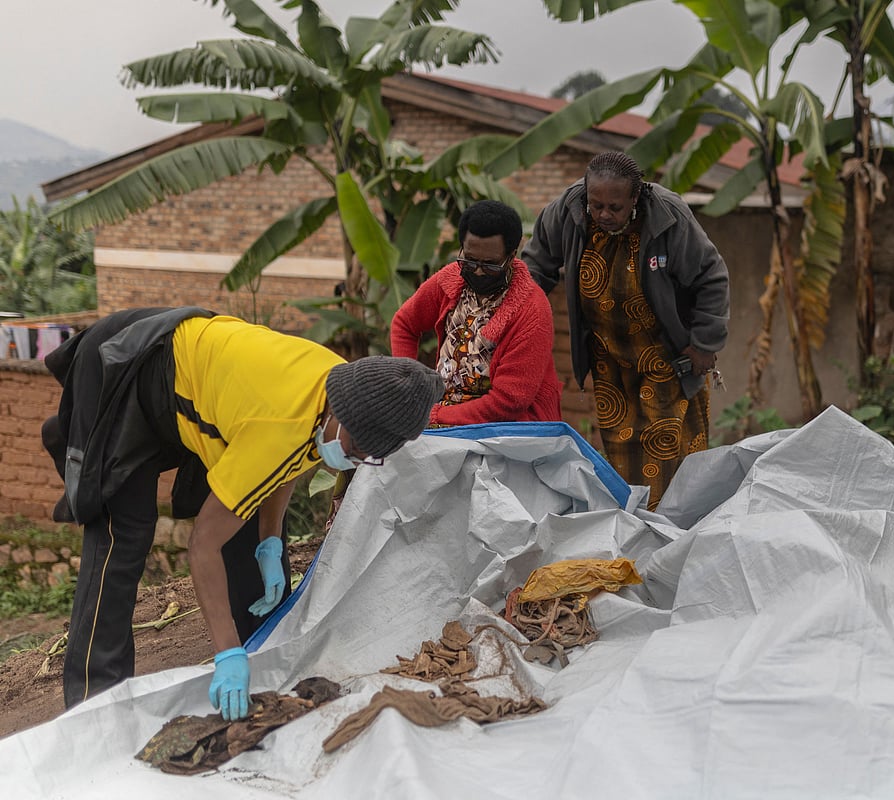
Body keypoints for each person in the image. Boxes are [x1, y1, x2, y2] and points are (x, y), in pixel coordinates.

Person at [42, 308, 443, 720]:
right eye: (356, 448)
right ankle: (94, 707)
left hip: (211, 399)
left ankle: (264, 662)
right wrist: (227, 655)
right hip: (129, 366)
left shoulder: (343, 393)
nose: (354, 459)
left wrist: (269, 543)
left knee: (248, 536)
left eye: (367, 456)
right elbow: (203, 545)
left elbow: (289, 462)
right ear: (340, 411)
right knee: (123, 534)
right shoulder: (281, 423)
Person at [523, 151, 730, 509]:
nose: (604, 214)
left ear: (635, 197)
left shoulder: (668, 216)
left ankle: (670, 530)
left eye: (615, 207)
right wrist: (519, 316)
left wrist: (704, 344)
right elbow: (535, 266)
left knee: (667, 448)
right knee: (620, 450)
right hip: (609, 358)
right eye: (596, 205)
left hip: (666, 356)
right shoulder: (568, 210)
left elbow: (711, 277)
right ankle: (632, 527)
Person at [390, 199, 561, 425]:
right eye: (470, 261)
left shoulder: (532, 310)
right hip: (443, 415)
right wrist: (408, 387)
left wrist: (436, 415)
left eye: (490, 265)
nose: (478, 272)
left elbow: (508, 402)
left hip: (506, 429)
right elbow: (404, 323)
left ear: (511, 256)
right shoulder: (451, 278)